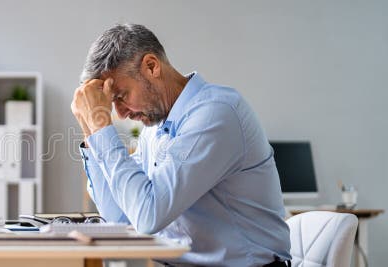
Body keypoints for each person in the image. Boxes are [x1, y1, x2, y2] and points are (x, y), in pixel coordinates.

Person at [70, 24, 291, 267]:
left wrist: (102, 125)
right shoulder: (155, 129)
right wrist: (90, 129)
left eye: (121, 96)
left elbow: (148, 216)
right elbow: (121, 217)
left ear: (151, 66)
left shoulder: (215, 115)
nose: (120, 114)